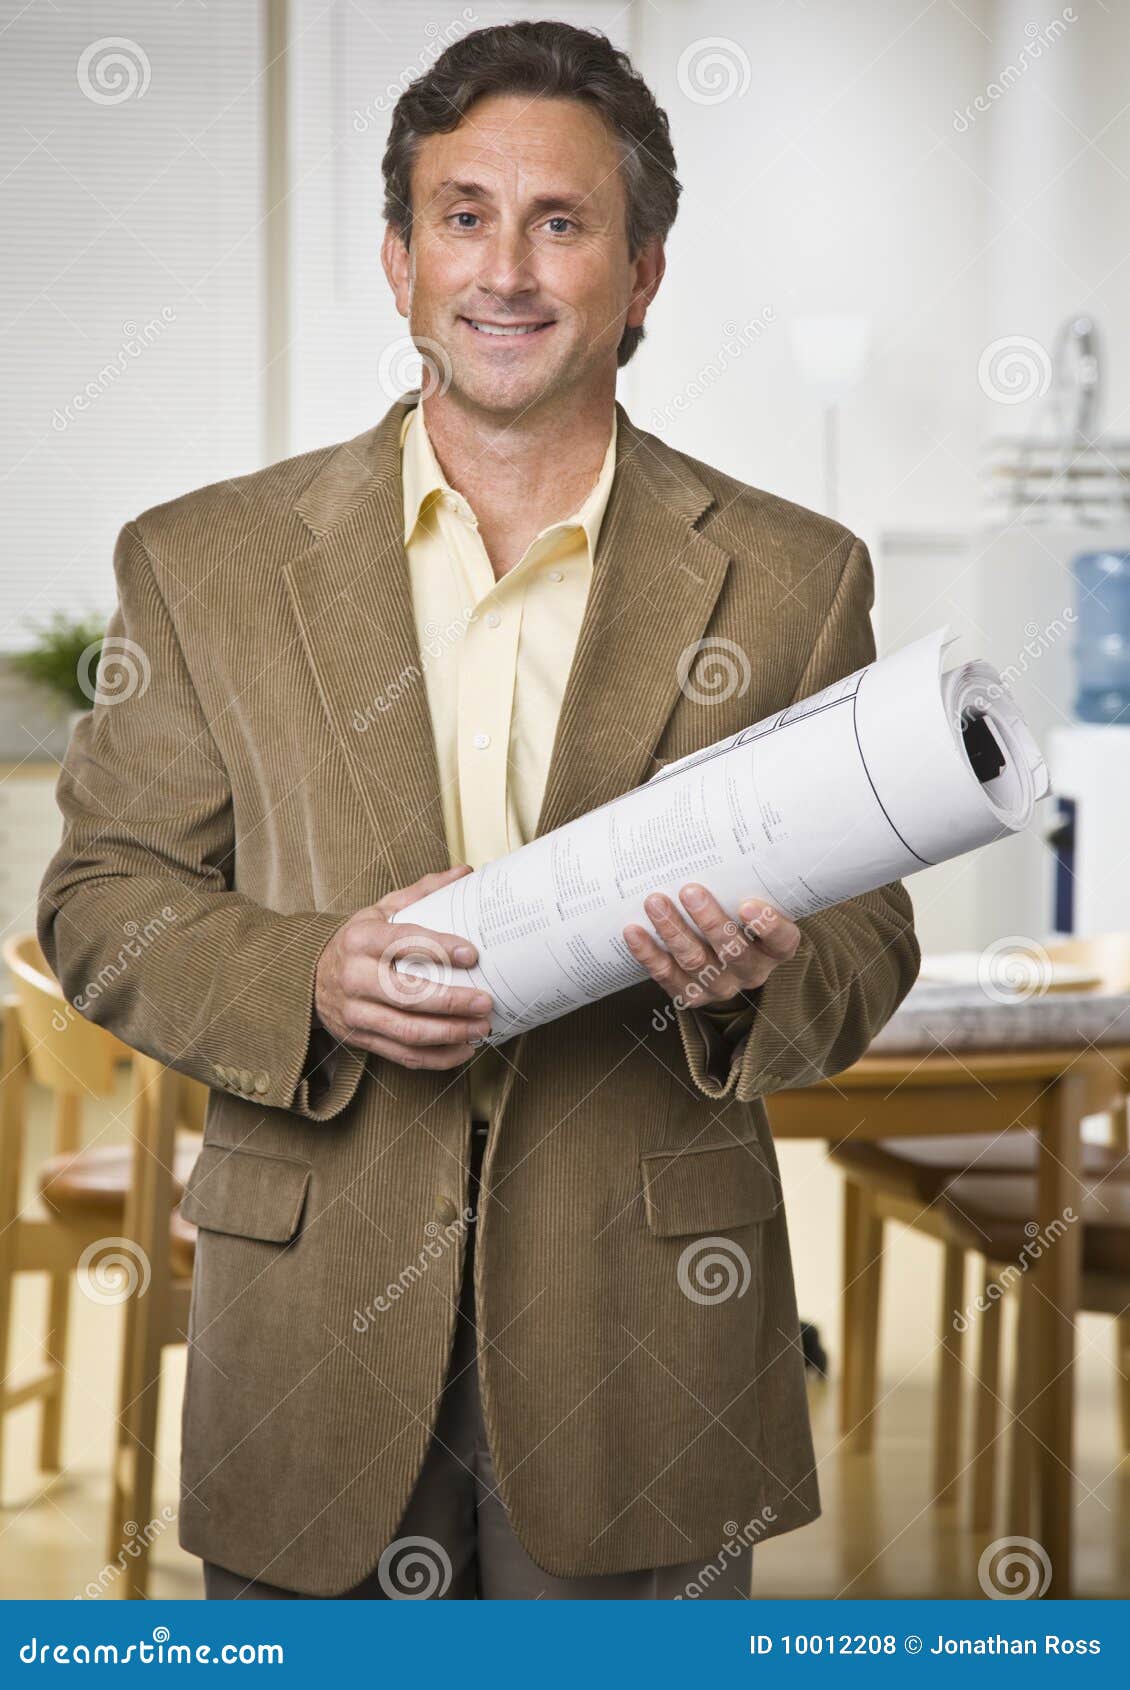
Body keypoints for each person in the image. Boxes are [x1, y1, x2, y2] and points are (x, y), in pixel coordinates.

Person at [37, 18, 919, 1601]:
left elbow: (868, 940)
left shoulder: (798, 577)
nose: (504, 270)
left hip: (644, 1345)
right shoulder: (199, 562)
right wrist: (304, 975)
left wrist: (762, 977)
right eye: (463, 215)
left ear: (642, 272)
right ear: (398, 258)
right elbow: (102, 901)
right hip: (310, 1340)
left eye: (561, 222)